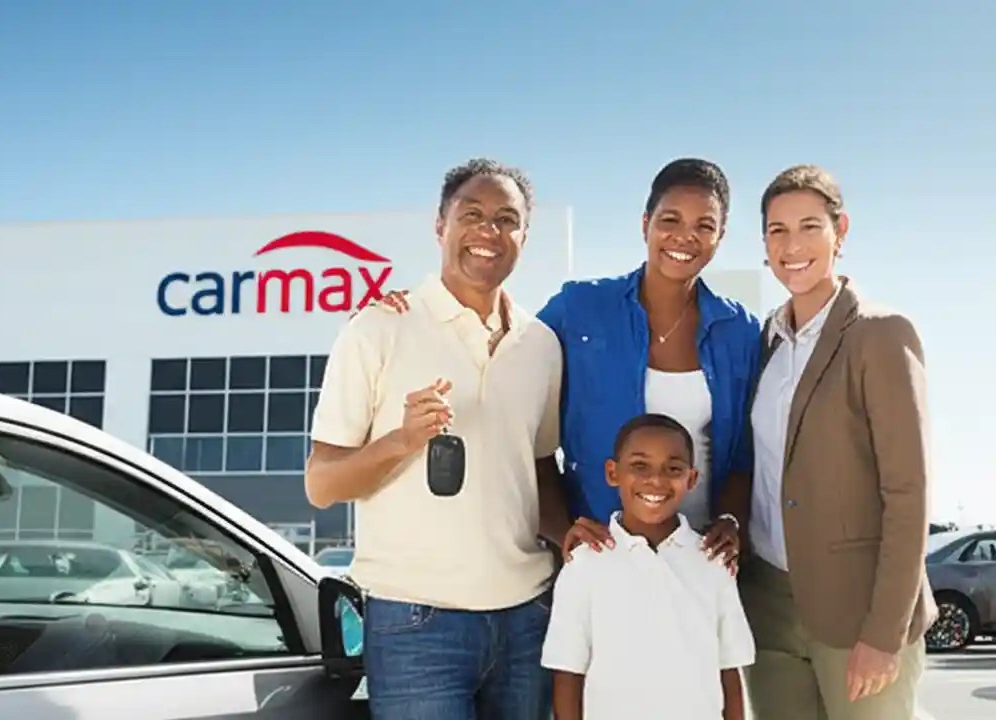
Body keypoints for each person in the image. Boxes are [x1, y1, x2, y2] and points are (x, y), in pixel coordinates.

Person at [372, 159, 759, 568]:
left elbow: (743, 458)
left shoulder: (741, 332)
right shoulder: (580, 309)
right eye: (670, 219)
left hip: (701, 566)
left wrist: (731, 521)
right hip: (598, 563)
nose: (685, 237)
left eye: (704, 226)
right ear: (645, 223)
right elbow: (498, 349)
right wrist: (412, 311)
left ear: (721, 236)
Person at [305, 158, 570, 719]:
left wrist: (578, 543)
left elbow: (539, 467)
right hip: (416, 623)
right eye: (471, 214)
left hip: (527, 620)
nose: (488, 231)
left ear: (525, 235)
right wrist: (401, 440)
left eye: (507, 219)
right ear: (440, 225)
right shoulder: (379, 327)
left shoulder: (541, 345)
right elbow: (321, 484)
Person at [739, 164, 935, 720]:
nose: (792, 245)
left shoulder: (880, 333)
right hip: (770, 604)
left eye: (809, 227)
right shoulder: (766, 343)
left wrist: (884, 629)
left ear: (839, 232)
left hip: (858, 612)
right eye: (777, 231)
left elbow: (909, 490)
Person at [541, 413, 755, 720]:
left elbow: (729, 670)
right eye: (640, 466)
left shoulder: (713, 562)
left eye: (673, 468)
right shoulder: (584, 564)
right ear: (613, 473)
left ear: (692, 479)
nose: (656, 480)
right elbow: (567, 673)